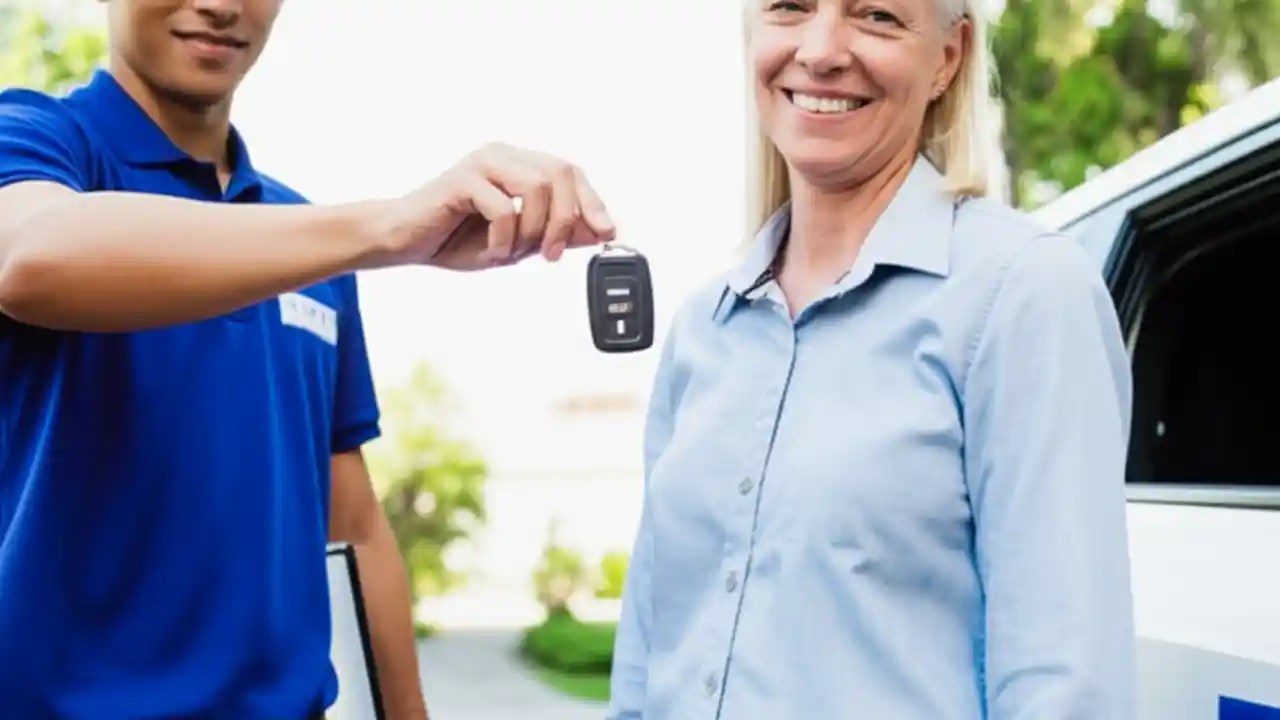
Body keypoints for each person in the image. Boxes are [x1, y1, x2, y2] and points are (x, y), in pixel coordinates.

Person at [0, 1, 615, 718]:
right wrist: (387, 228)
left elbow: (351, 525)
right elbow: (28, 254)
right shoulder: (38, 145)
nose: (222, 5)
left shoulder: (308, 241)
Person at [608, 0, 1136, 718]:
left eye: (878, 16)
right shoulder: (704, 328)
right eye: (790, 7)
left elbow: (1066, 689)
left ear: (948, 56)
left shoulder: (1023, 296)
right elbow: (645, 659)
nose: (822, 51)